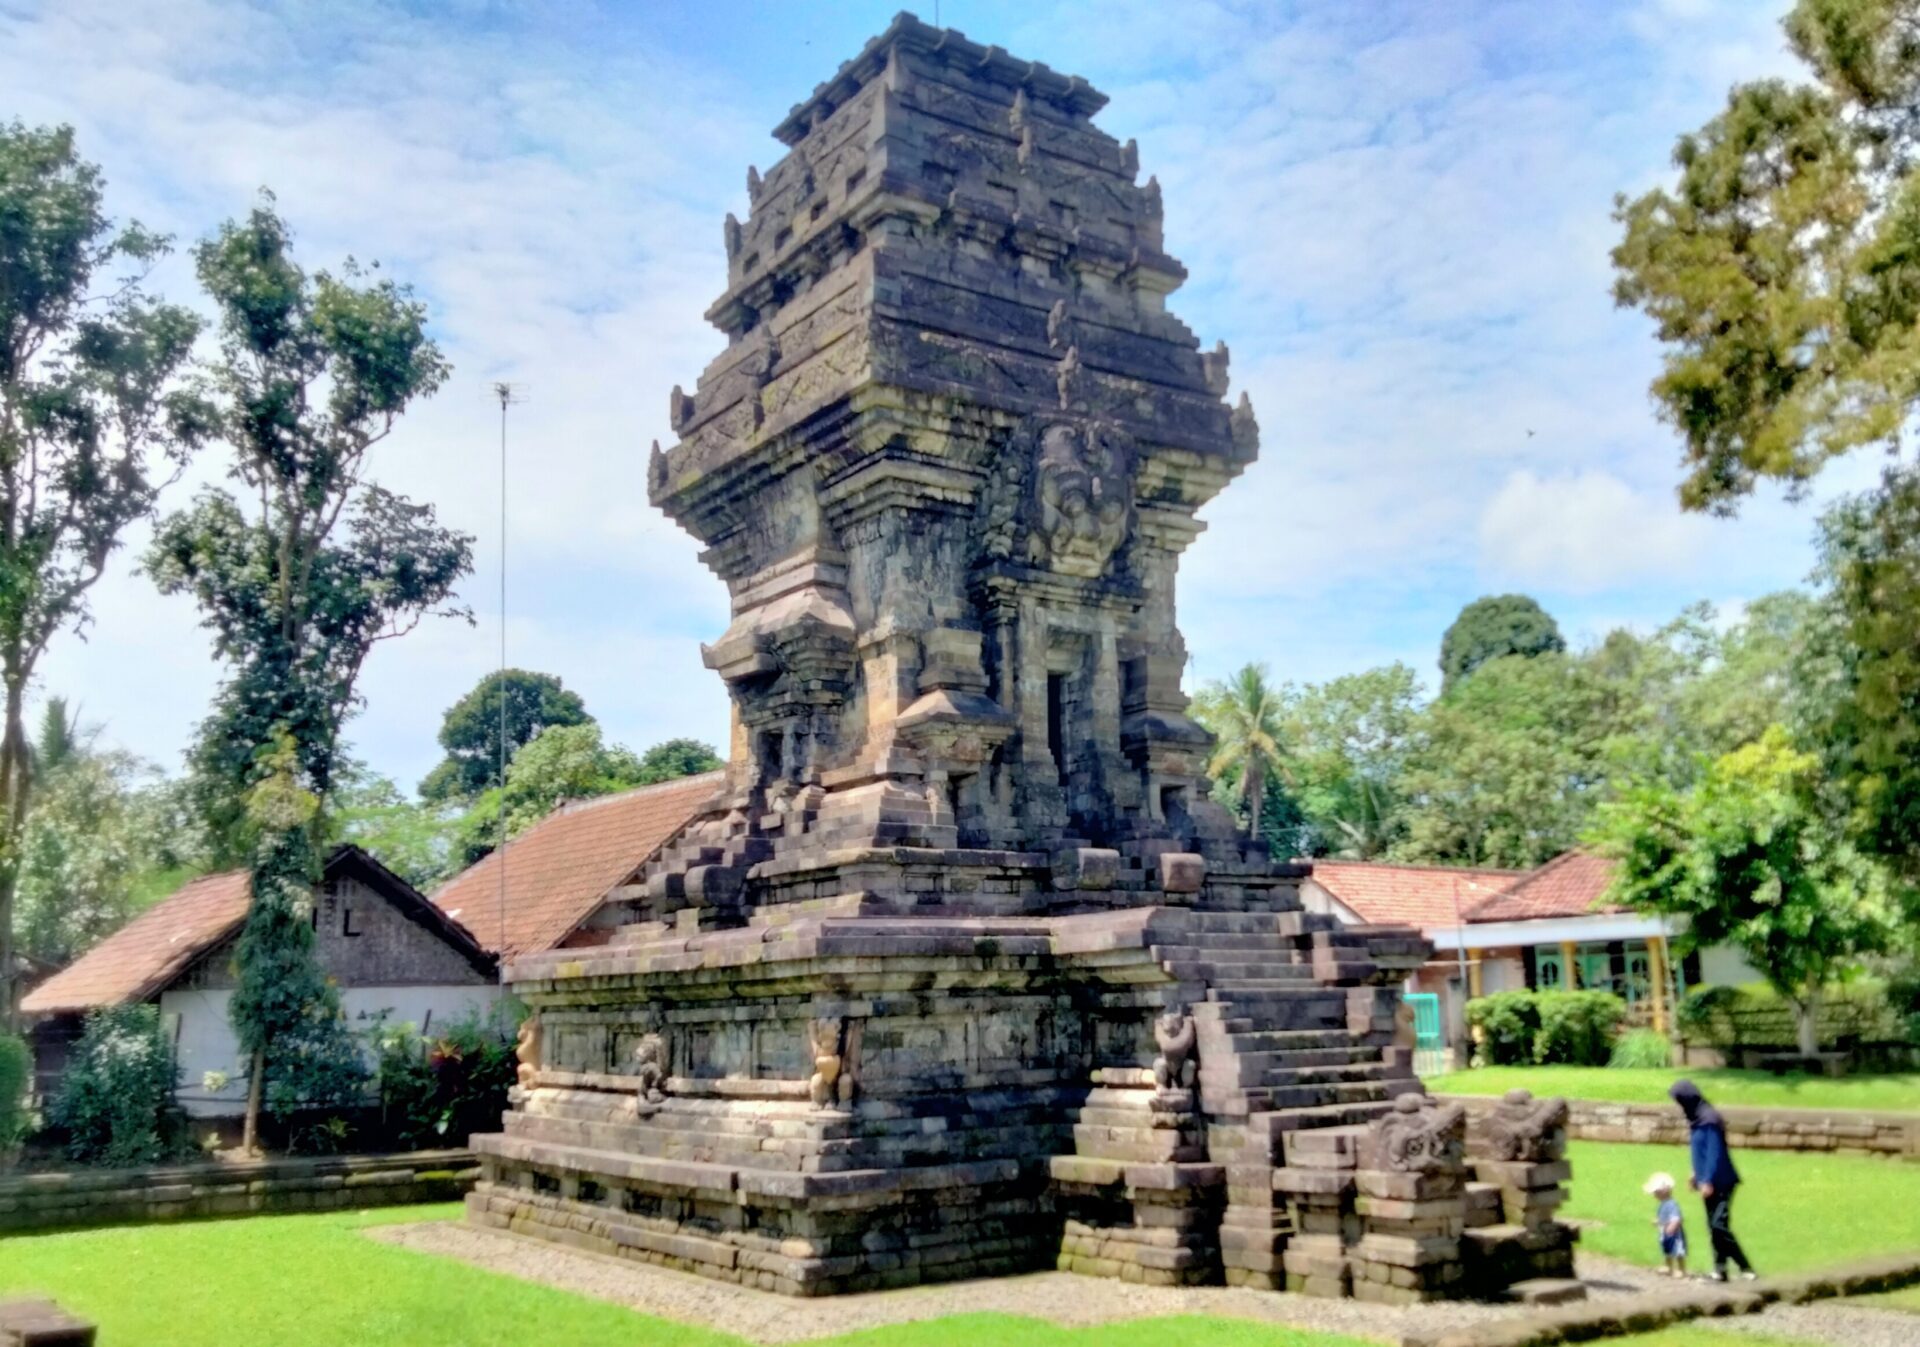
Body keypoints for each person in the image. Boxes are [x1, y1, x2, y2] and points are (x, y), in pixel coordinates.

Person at [1670, 1079, 1756, 1281]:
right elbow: (1699, 1151)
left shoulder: (1709, 1119)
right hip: (1707, 1181)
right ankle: (1720, 1270)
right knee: (1713, 1226)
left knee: (1719, 1225)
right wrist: (1695, 1174)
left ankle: (1746, 1267)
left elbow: (1714, 1152)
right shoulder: (1696, 1119)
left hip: (1722, 1180)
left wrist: (1707, 1179)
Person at [1643, 1171, 1687, 1277]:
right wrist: (1659, 1222)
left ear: (1663, 1191)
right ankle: (1668, 1266)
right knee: (1667, 1249)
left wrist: (1672, 1226)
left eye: (1656, 1192)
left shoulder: (1672, 1204)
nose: (1654, 1195)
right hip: (1665, 1232)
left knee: (1677, 1250)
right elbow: (1664, 1218)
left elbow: (1677, 1218)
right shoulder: (1663, 1204)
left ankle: (1681, 1269)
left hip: (1674, 1233)